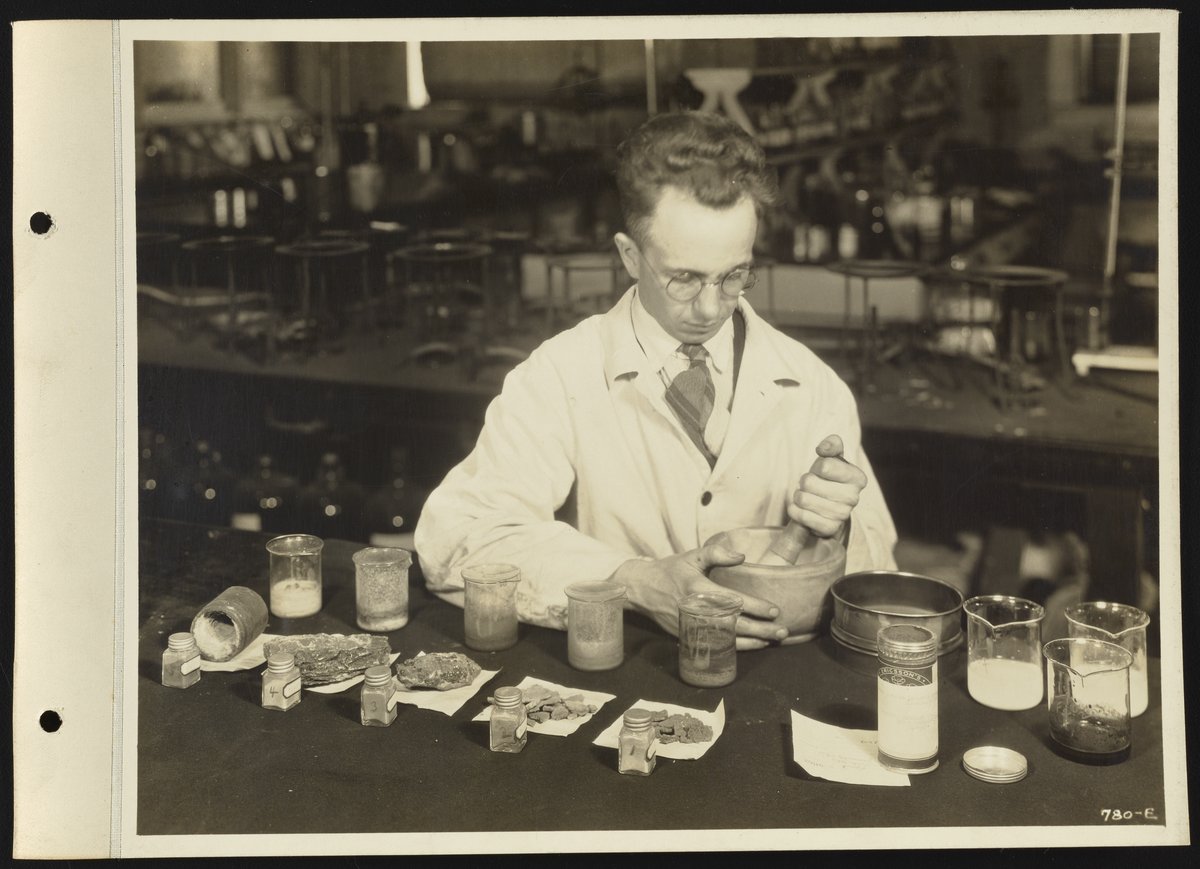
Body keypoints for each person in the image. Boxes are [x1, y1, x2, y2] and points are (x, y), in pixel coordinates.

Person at [415, 110, 897, 650]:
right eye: (684, 278)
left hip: (771, 681)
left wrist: (839, 534)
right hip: (624, 668)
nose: (711, 307)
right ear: (630, 256)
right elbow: (455, 542)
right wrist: (630, 582)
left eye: (734, 275)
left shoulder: (811, 383)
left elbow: (882, 576)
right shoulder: (560, 373)